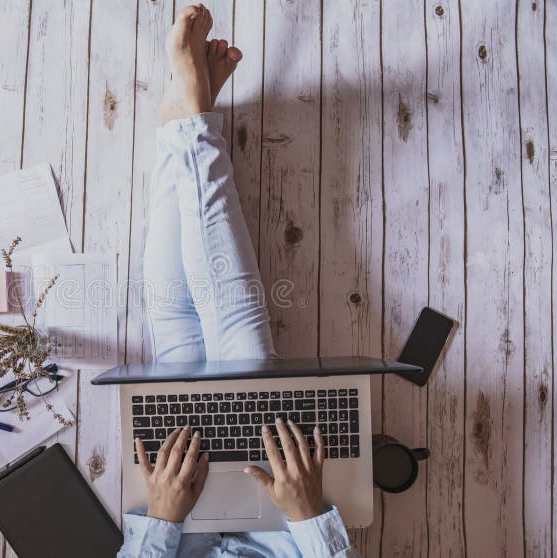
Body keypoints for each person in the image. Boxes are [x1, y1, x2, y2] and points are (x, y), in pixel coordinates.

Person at [117, 5, 361, 557]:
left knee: (170, 312)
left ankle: (190, 109)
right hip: (278, 527)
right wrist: (308, 514)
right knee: (232, 322)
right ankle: (187, 110)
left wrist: (161, 519)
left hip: (179, 522)